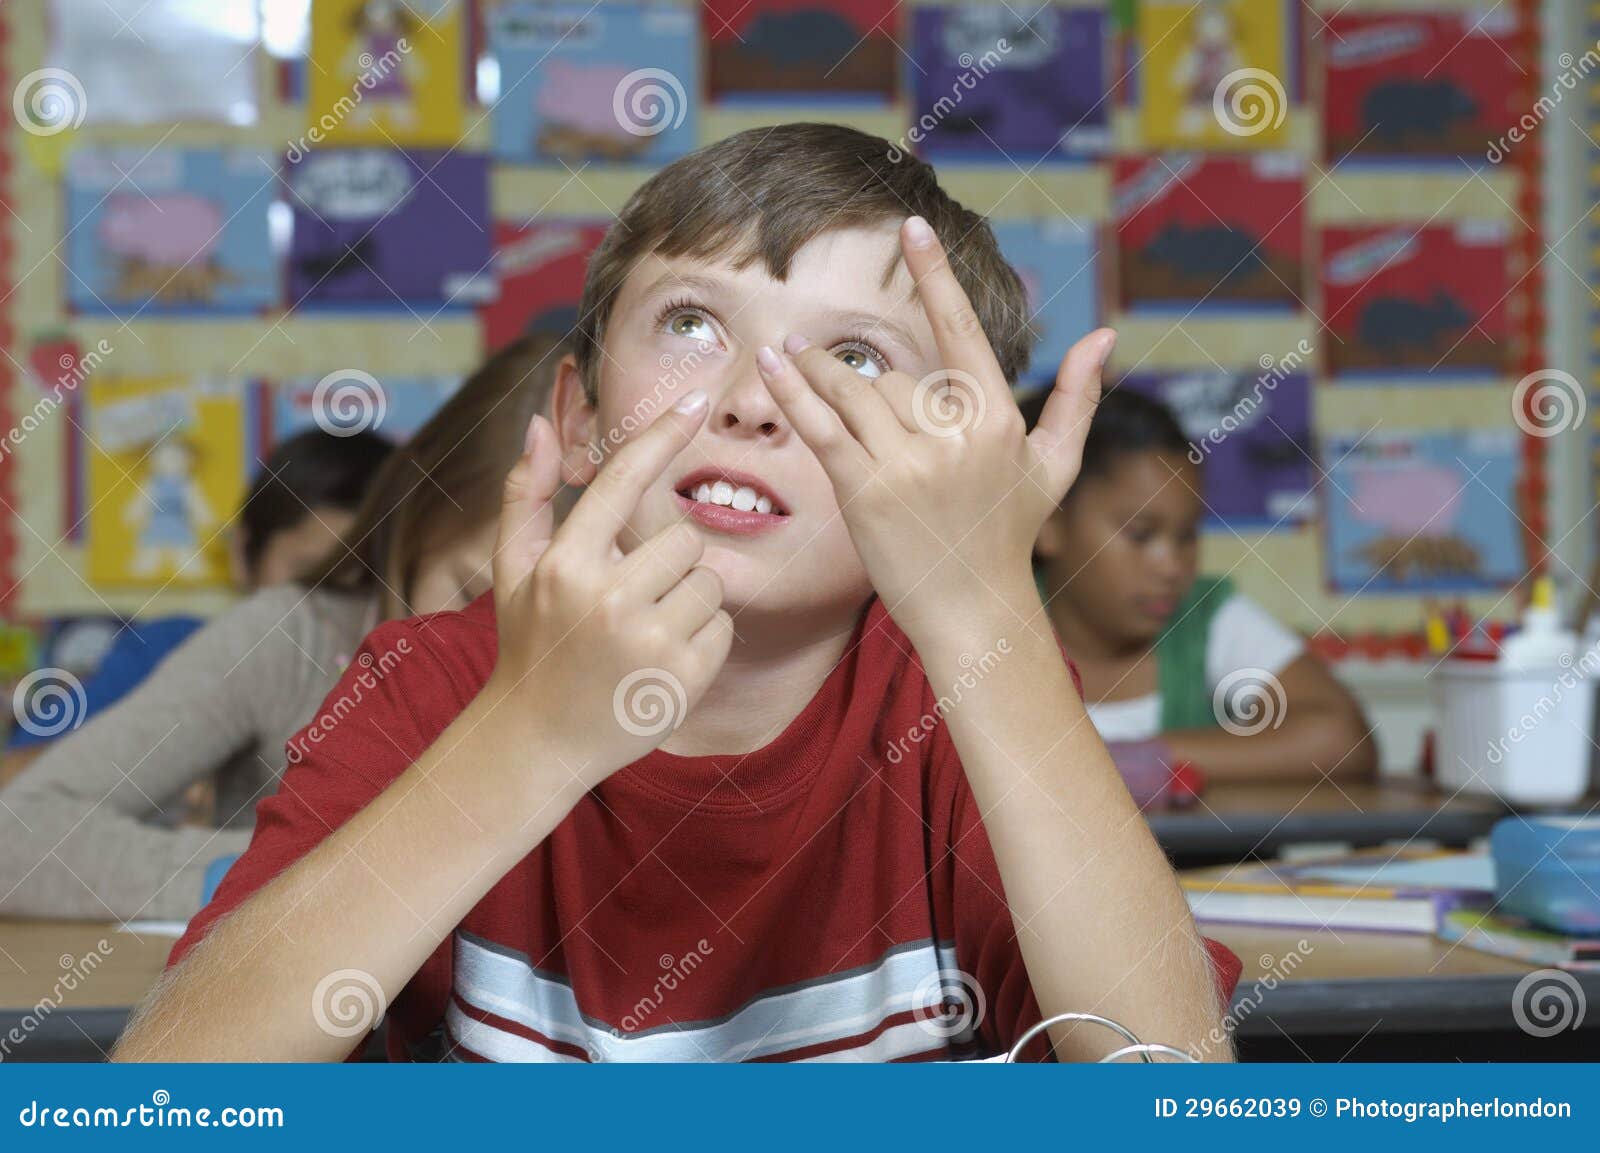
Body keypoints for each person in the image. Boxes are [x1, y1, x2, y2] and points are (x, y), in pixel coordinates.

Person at [116, 124, 1239, 1064]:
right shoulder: (434, 682)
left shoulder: (966, 699)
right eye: (694, 326)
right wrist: (530, 737)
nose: (754, 399)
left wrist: (981, 602)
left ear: (954, 453)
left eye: (852, 357)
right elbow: (164, 1102)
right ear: (580, 414)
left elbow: (1170, 1087)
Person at [0, 335, 566, 922]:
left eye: (560, 625)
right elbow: (18, 840)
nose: (504, 654)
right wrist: (273, 870)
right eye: (472, 595)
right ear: (415, 517)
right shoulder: (291, 639)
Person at [1023, 387, 1375, 789]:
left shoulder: (1203, 617)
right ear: (1048, 521)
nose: (1173, 567)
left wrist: (1144, 760)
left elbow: (1342, 738)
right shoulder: (997, 628)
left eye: (1187, 536)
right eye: (1140, 535)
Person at [3, 429, 391, 769]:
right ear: (242, 555)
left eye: (364, 583)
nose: (334, 605)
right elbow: (15, 778)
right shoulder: (168, 650)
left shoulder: (393, 687)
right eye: (309, 574)